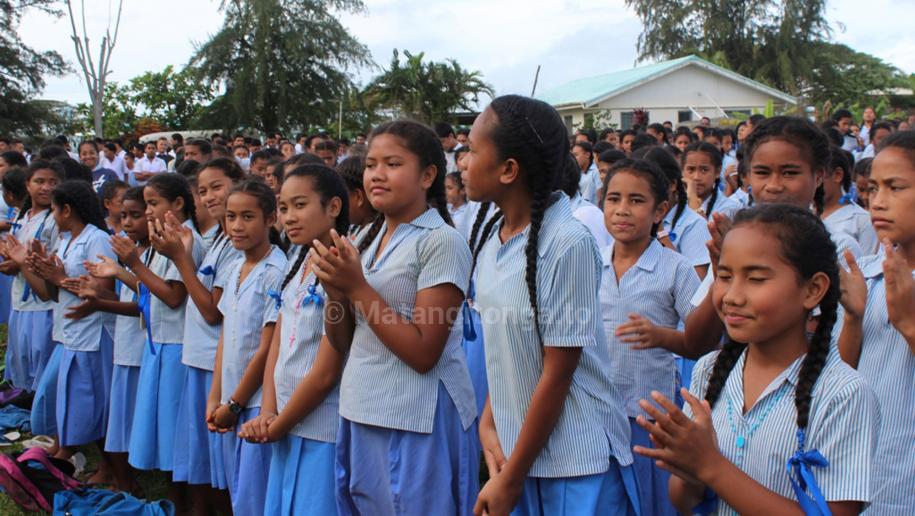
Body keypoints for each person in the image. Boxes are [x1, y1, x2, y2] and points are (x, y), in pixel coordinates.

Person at [636, 204, 877, 514]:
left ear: (813, 290)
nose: (732, 296)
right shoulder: (710, 370)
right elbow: (682, 500)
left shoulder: (843, 394)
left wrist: (712, 466)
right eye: (724, 276)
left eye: (756, 279)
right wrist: (687, 468)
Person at [461, 95, 638, 515]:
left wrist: (512, 476)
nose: (462, 163)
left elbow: (559, 371)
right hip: (521, 451)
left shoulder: (566, 243)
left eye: (471, 151)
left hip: (576, 460)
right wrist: (491, 420)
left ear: (508, 170)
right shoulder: (493, 241)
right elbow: (506, 353)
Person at [312, 120, 478, 515]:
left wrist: (356, 288)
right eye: (370, 164)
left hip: (416, 417)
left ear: (427, 175)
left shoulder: (440, 241)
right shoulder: (364, 240)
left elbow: (424, 352)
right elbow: (343, 340)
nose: (377, 175)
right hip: (363, 404)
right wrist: (337, 291)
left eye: (392, 163)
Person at [238, 164, 348, 515]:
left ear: (332, 207)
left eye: (300, 205)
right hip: (284, 419)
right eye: (283, 208)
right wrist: (269, 410)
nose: (289, 217)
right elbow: (278, 346)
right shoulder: (297, 264)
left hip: (321, 428)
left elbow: (327, 371)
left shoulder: (343, 267)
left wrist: (278, 424)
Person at [600, 158, 701, 516]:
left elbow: (702, 338)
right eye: (613, 199)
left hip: (647, 410)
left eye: (636, 201)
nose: (622, 210)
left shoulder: (676, 268)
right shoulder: (590, 261)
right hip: (596, 409)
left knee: (651, 499)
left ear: (660, 210)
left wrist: (661, 336)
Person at [837, 130, 915, 513]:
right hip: (860, 470)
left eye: (896, 188)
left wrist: (910, 324)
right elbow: (840, 373)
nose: (877, 203)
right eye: (872, 189)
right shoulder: (864, 273)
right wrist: (852, 319)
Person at [157, 159, 243, 509]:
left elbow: (211, 310)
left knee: (219, 461)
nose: (208, 197)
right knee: (202, 455)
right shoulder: (219, 239)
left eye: (217, 187)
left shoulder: (236, 244)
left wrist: (180, 259)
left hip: (214, 361)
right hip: (199, 356)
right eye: (202, 190)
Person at [28, 180, 117, 483]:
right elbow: (56, 293)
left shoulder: (97, 240)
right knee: (80, 402)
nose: (51, 215)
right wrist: (44, 272)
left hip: (93, 335)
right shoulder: (66, 240)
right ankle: (73, 454)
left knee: (96, 404)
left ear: (67, 209)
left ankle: (115, 471)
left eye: (54, 209)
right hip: (70, 333)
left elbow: (104, 294)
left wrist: (60, 276)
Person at [124, 174, 204, 506]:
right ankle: (174, 498)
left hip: (177, 347)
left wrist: (132, 265)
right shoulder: (163, 239)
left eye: (154, 204)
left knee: (176, 435)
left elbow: (173, 296)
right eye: (147, 204)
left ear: (178, 204)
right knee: (164, 429)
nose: (148, 211)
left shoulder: (187, 241)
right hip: (160, 345)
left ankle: (182, 500)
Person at [207, 181, 286, 515]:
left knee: (256, 493)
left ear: (270, 219)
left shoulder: (276, 271)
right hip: (230, 396)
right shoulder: (234, 266)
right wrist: (215, 396)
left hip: (254, 403)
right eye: (230, 216)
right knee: (237, 488)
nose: (236, 226)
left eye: (247, 217)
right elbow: (227, 334)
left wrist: (236, 403)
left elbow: (267, 348)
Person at [84, 186, 148, 493]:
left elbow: (150, 297)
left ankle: (128, 481)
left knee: (129, 418)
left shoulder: (141, 254)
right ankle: (122, 478)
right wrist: (94, 290)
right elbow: (126, 293)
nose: (127, 223)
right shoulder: (132, 253)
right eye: (123, 216)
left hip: (141, 345)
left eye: (136, 215)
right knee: (121, 417)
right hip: (127, 343)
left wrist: (102, 301)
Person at [641, 146, 712, 279]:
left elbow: (697, 282)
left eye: (655, 185)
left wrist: (661, 233)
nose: (648, 191)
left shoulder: (694, 224)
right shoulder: (642, 219)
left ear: (673, 184)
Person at [820, 148, 879, 254]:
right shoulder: (803, 214)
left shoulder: (862, 220)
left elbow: (868, 266)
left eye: (819, 177)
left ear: (838, 175)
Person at [681, 142, 742, 220]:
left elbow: (699, 231)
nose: (696, 177)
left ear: (717, 172)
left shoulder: (730, 208)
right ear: (682, 171)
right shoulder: (675, 206)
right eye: (691, 169)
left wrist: (693, 201)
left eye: (704, 170)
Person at [446, 171, 472, 241]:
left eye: (449, 188)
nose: (445, 191)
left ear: (463, 191)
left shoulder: (467, 212)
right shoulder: (446, 208)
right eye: (444, 187)